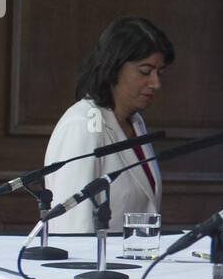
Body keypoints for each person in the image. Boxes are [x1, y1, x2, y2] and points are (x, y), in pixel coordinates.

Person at [44, 17, 173, 233]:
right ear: (114, 67)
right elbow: (71, 227)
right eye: (145, 71)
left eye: (159, 73)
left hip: (133, 262)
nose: (156, 83)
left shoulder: (135, 121)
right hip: (99, 265)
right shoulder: (83, 123)